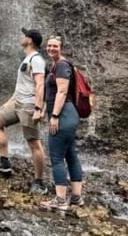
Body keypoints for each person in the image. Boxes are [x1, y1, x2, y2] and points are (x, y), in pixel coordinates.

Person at [0, 28, 48, 195]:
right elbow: (21, 86)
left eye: (25, 35)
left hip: (28, 105)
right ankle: (4, 163)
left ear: (30, 40)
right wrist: (7, 103)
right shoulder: (26, 59)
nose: (22, 37)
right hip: (17, 103)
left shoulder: (37, 60)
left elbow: (40, 85)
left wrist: (38, 108)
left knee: (34, 143)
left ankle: (39, 181)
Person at [40, 35, 84, 211]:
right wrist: (43, 110)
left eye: (55, 46)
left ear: (61, 47)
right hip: (70, 116)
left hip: (63, 116)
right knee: (71, 155)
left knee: (57, 157)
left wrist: (55, 116)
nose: (51, 49)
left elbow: (62, 91)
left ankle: (60, 200)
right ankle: (76, 197)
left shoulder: (62, 65)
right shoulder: (58, 65)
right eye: (49, 45)